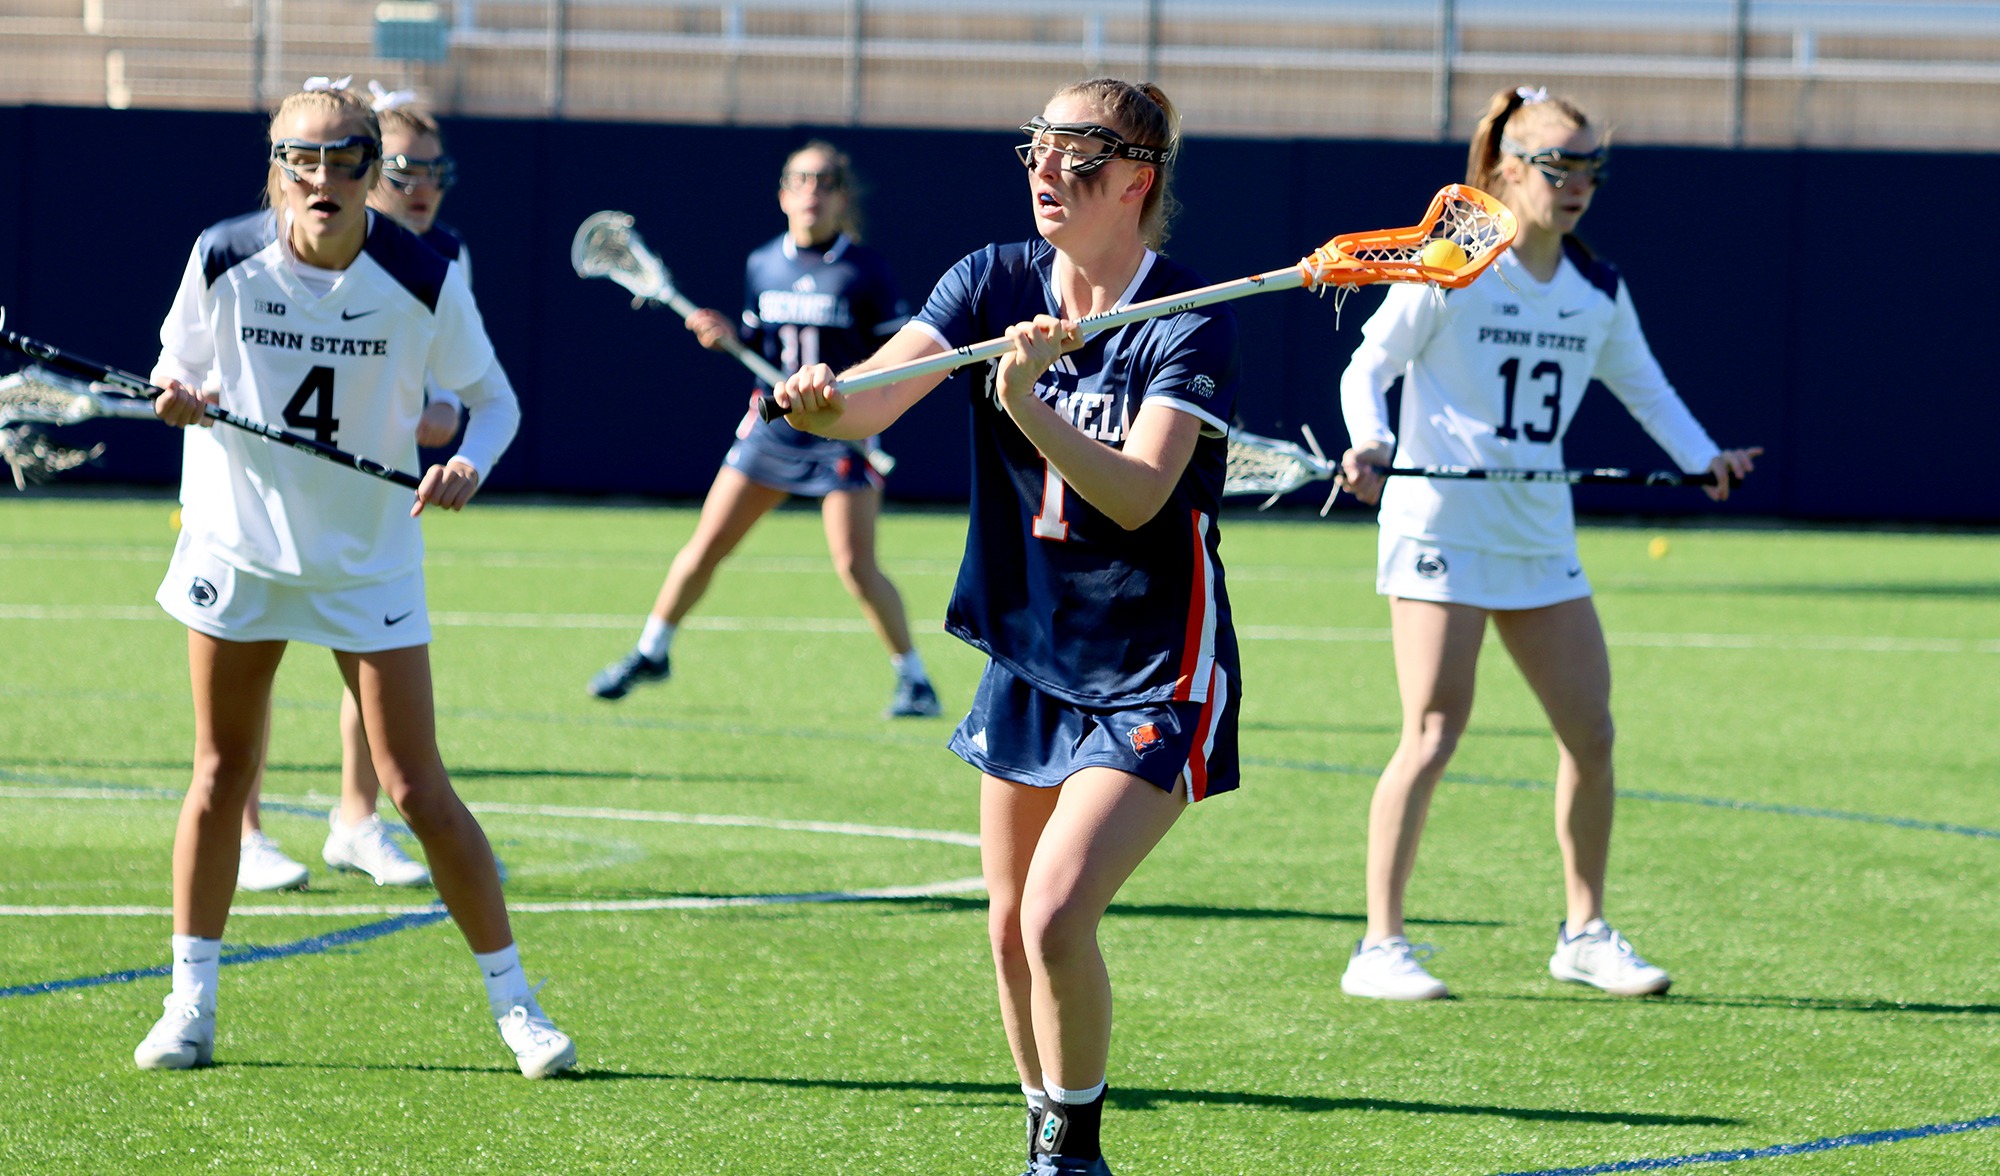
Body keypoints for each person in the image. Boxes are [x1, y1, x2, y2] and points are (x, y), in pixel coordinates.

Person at [774, 78, 1240, 1176]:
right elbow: (873, 397)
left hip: (1151, 666)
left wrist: (1026, 402)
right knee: (1002, 923)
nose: (1045, 172)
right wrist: (818, 399)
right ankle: (1044, 1136)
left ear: (1136, 179)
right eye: (1036, 148)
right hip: (1028, 652)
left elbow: (1136, 495)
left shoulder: (1187, 319)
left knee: (1053, 915)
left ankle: (1076, 1150)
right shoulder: (987, 279)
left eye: (1076, 157)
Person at [133, 79, 575, 1080]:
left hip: (368, 556)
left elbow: (491, 404)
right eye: (302, 157)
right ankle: (189, 1003)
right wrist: (182, 399)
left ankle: (518, 1008)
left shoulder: (421, 275)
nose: (321, 177)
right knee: (220, 772)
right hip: (237, 547)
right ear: (276, 168)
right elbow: (176, 368)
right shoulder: (222, 257)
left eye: (344, 159)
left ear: (375, 173)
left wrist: (468, 463)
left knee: (417, 787)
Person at [1332, 84, 1762, 1002]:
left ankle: (1584, 931)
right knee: (1434, 732)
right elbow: (1368, 367)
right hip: (1440, 526)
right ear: (1503, 169)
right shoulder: (1453, 267)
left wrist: (1704, 459)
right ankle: (1379, 944)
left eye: (1589, 170)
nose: (1574, 186)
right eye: (1556, 166)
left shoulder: (1595, 290)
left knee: (1592, 731)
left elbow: (1646, 390)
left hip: (1537, 536)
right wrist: (1367, 443)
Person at [587, 140, 943, 720]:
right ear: (783, 193)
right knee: (705, 546)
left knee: (855, 565)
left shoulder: (866, 269)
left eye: (825, 181)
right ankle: (652, 650)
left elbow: (893, 356)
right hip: (772, 427)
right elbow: (758, 348)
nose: (812, 192)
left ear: (842, 196)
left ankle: (916, 680)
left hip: (841, 434)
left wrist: (855, 404)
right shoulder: (762, 262)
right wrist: (724, 334)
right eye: (800, 180)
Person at [232, 84, 475, 893]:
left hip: (371, 502)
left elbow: (459, 380)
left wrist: (441, 416)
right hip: (267, 506)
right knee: (245, 677)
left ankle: (357, 821)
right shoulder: (267, 248)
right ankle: (246, 830)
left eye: (434, 169)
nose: (422, 185)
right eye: (406, 168)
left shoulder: (439, 260)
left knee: (369, 666)